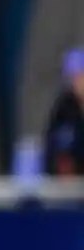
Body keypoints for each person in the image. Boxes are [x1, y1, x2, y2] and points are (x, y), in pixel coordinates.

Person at [43, 47, 84, 176]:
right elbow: (60, 155)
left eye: (80, 76)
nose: (78, 82)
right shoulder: (64, 107)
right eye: (74, 77)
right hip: (71, 185)